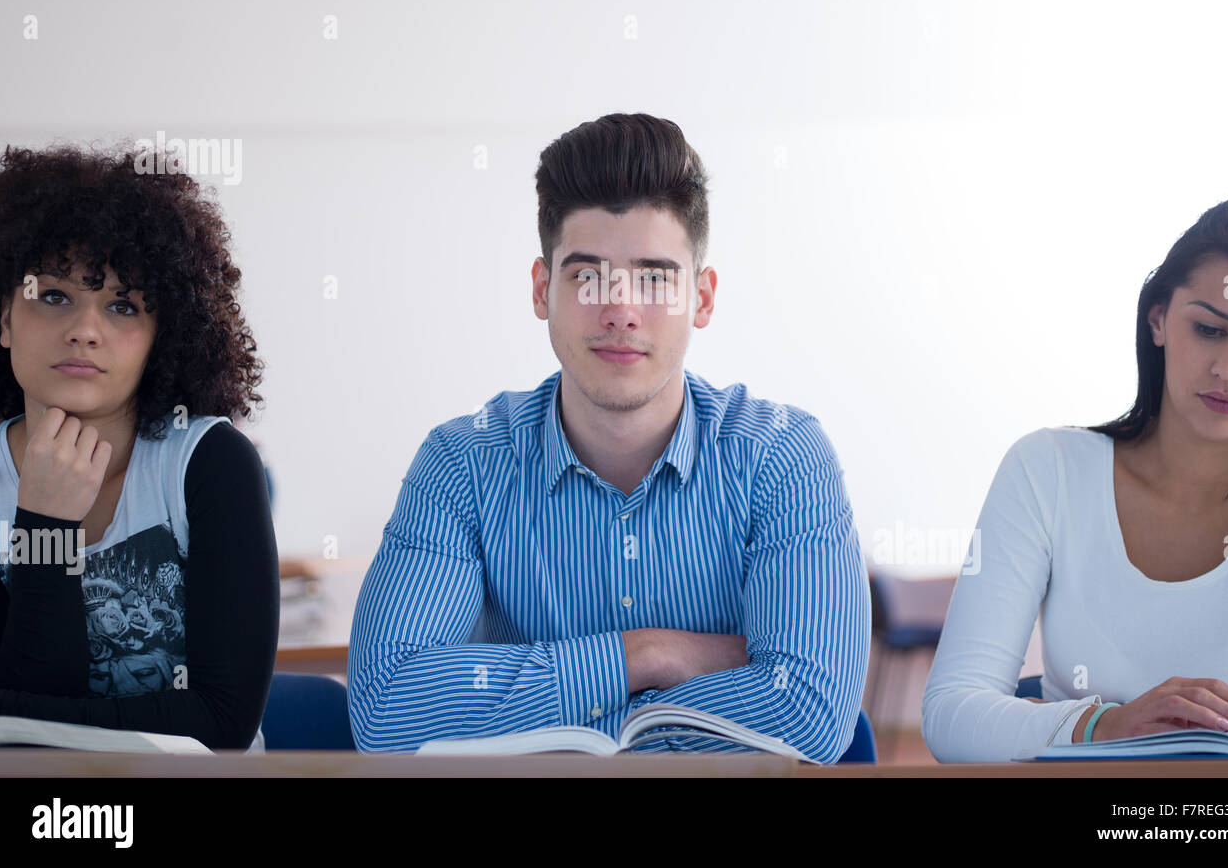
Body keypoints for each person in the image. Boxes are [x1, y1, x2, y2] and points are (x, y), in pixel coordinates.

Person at [348, 112, 870, 762]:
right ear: (544, 290)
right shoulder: (463, 465)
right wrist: (648, 654)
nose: (621, 308)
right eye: (587, 275)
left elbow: (810, 711)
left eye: (654, 276)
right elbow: (388, 708)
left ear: (701, 298)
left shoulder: (782, 457)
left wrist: (557, 721)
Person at [922, 197, 1228, 762]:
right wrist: (1102, 725)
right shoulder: (1048, 471)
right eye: (1210, 329)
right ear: (1158, 319)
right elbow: (950, 715)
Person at [0, 143, 278, 751]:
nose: (84, 330)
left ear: (161, 337)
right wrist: (45, 521)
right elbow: (14, 746)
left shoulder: (210, 464)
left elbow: (223, 723)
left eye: (123, 306)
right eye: (54, 295)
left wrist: (4, 710)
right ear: (4, 318)